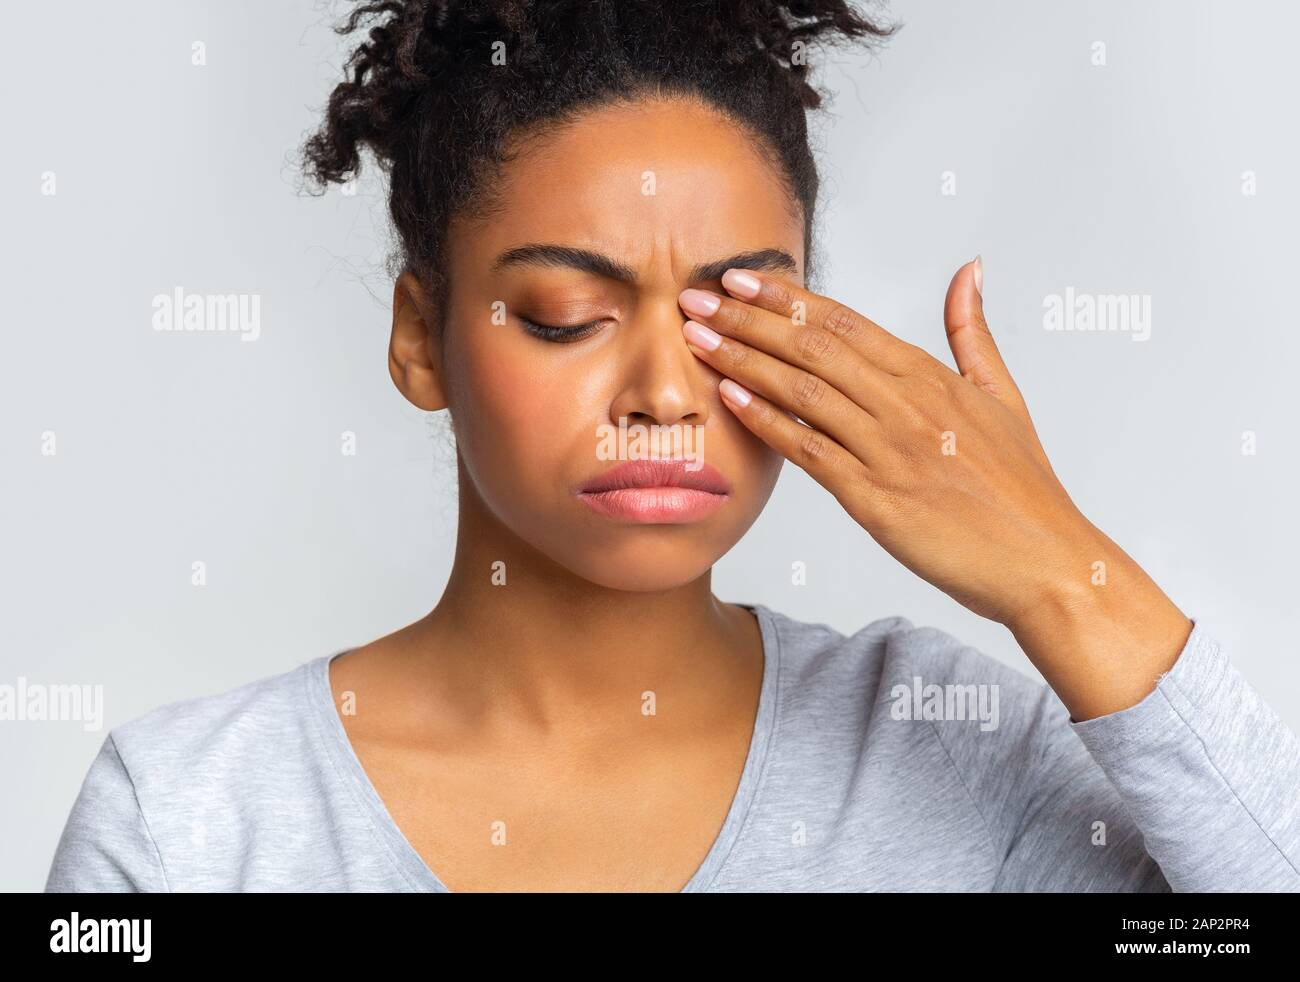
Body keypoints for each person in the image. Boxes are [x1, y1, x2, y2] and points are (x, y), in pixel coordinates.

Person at [45, 0, 1300, 892]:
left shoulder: (958, 751)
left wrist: (1057, 569)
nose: (660, 388)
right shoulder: (190, 823)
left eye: (731, 318)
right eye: (564, 315)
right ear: (422, 339)